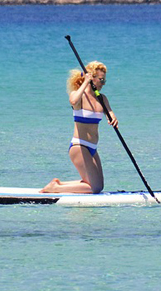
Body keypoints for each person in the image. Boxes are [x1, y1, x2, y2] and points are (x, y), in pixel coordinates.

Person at [41, 61, 117, 194]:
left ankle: (59, 184)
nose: (103, 83)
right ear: (92, 78)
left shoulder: (102, 99)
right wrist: (85, 82)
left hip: (93, 148)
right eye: (101, 80)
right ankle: (55, 189)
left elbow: (110, 113)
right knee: (94, 188)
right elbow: (73, 101)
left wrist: (112, 118)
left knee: (99, 186)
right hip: (80, 146)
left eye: (104, 80)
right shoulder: (78, 96)